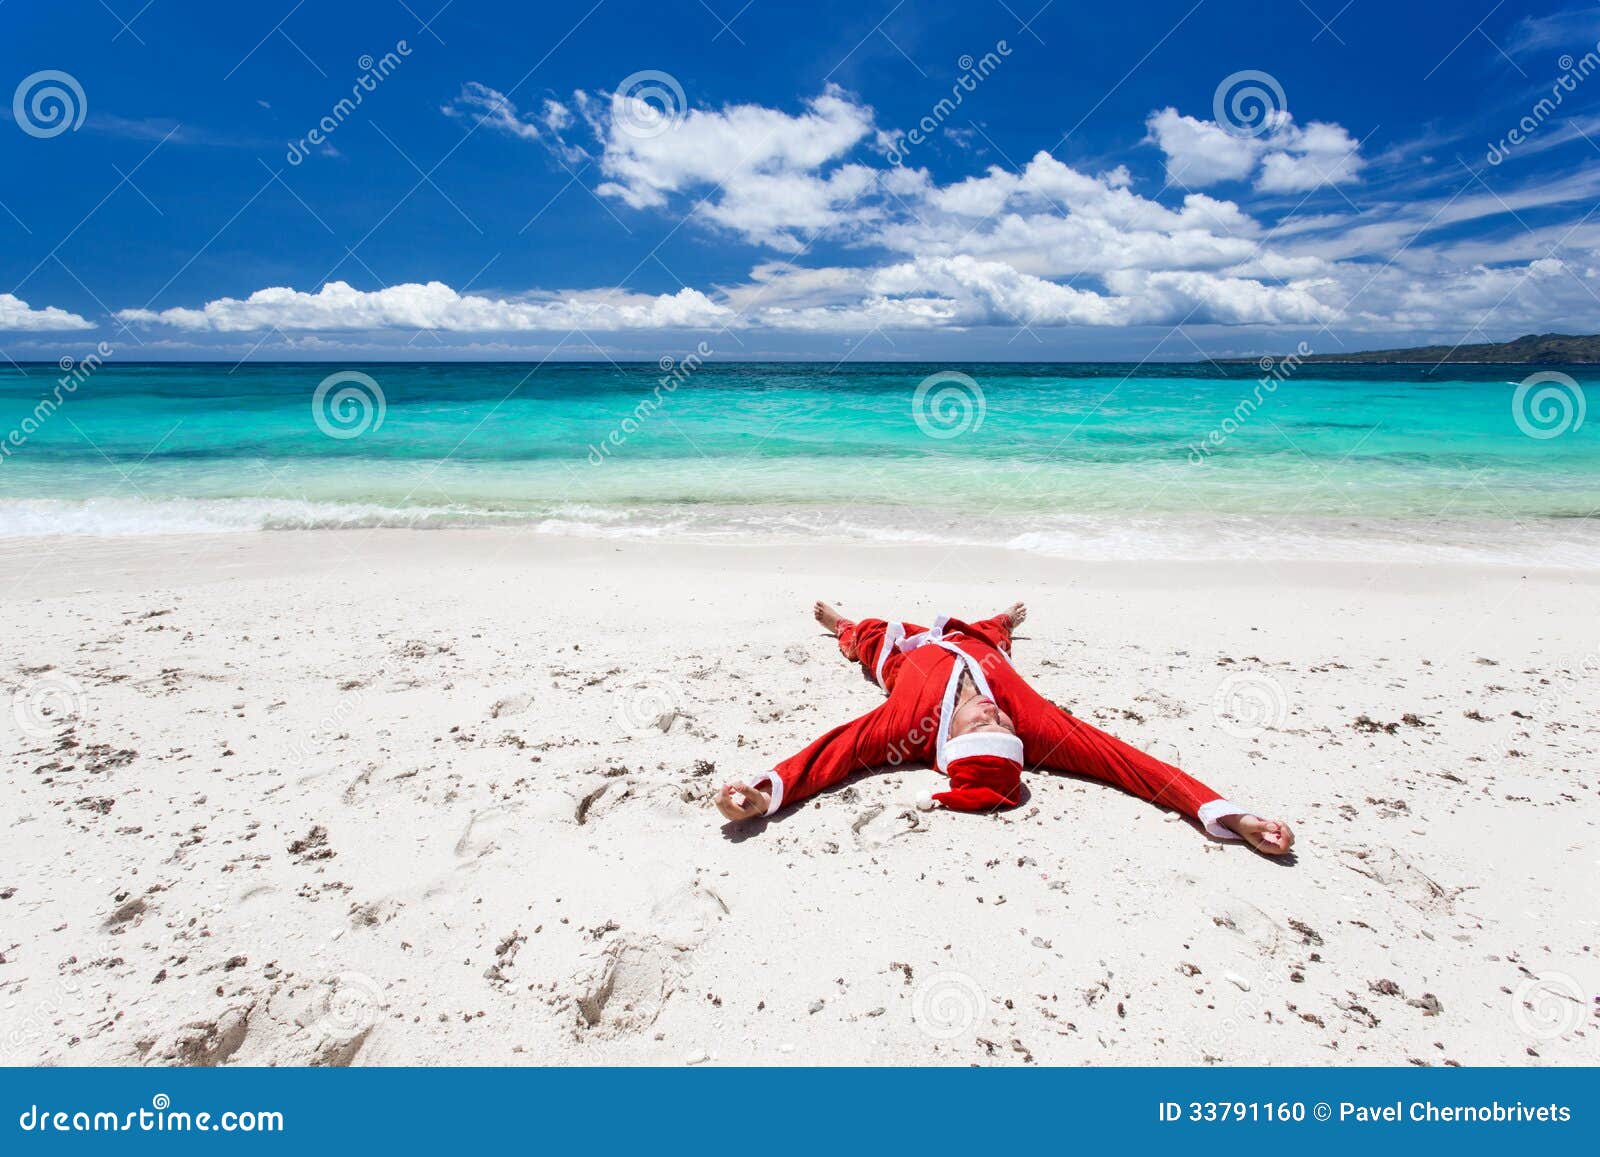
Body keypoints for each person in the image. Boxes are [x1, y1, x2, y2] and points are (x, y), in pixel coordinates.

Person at [715, 601, 1295, 855]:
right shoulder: (1036, 728)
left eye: (984, 724)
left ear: (950, 740)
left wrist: (762, 797)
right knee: (994, 635)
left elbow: (834, 754)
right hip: (976, 641)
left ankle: (843, 623)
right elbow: (1131, 763)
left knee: (868, 641)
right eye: (1002, 724)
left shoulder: (905, 726)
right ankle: (1004, 621)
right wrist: (1227, 812)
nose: (996, 714)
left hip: (907, 655)